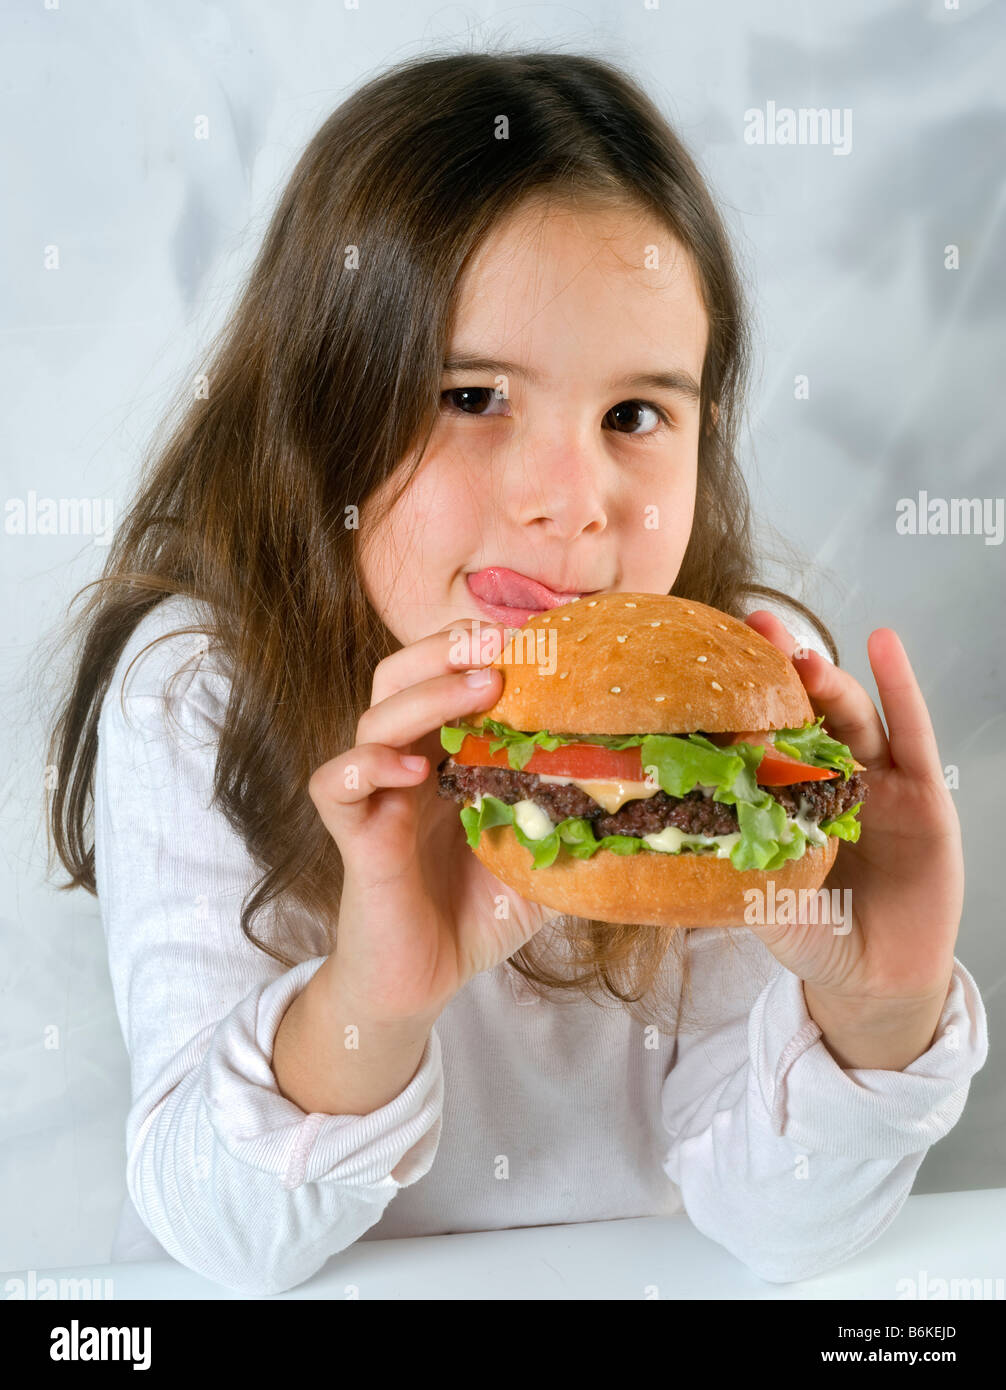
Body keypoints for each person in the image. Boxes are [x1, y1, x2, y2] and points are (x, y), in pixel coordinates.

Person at [44, 50, 987, 1297]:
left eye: (636, 416)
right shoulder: (197, 691)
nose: (572, 505)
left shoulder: (730, 691)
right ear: (330, 404)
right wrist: (374, 996)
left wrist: (881, 1008)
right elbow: (214, 1241)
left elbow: (775, 1232)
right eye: (474, 395)